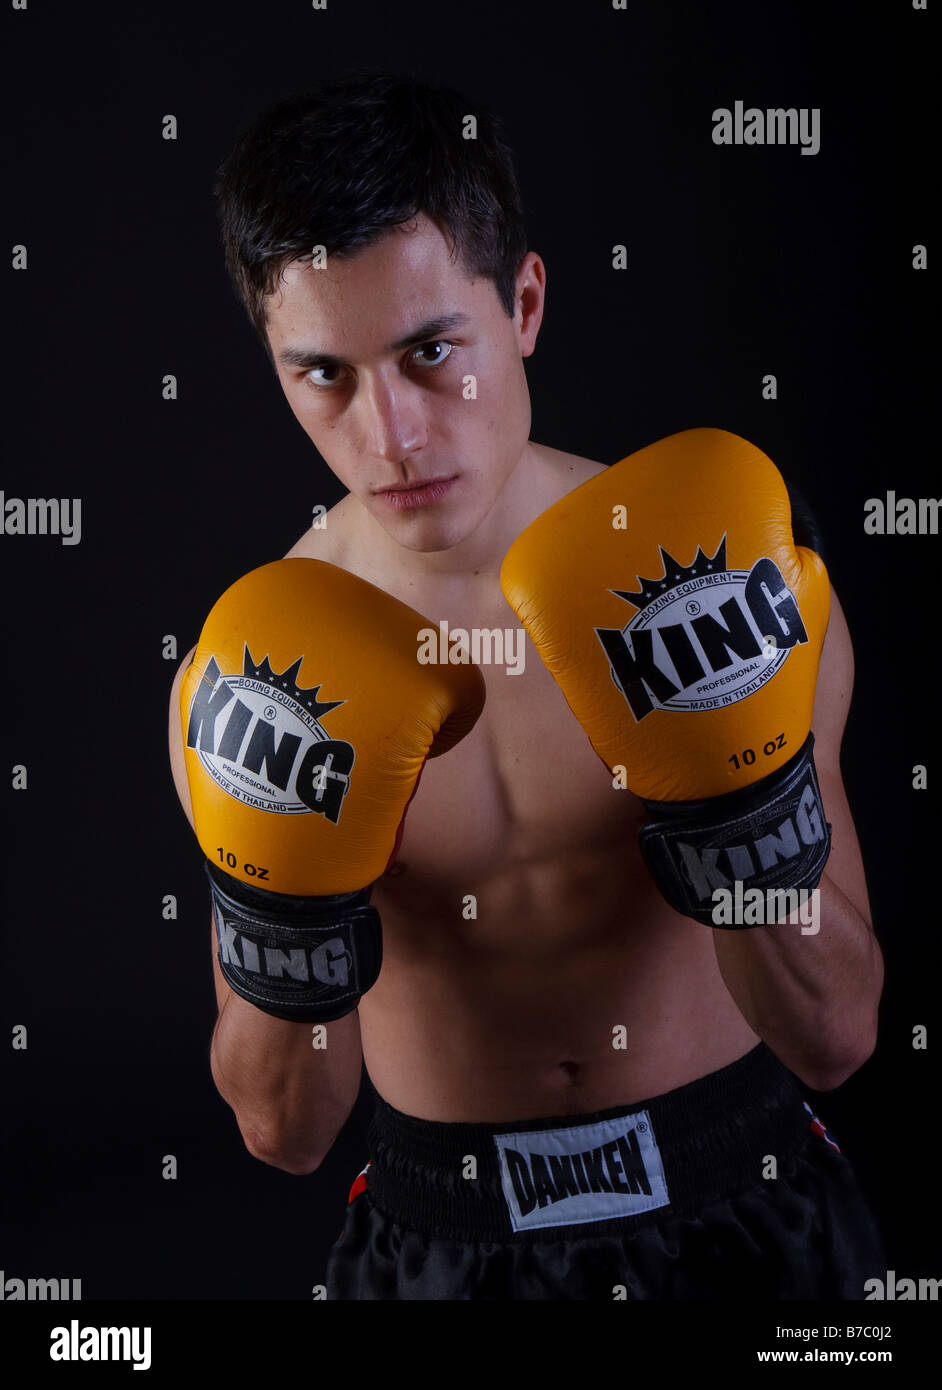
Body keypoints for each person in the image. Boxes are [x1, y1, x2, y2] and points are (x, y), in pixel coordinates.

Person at [168, 68, 886, 1300]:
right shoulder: (257, 684)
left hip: (746, 1204)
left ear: (528, 304)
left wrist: (738, 815)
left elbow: (836, 1034)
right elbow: (282, 1128)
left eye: (430, 351)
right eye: (324, 373)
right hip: (443, 1240)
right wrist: (285, 924)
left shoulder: (712, 583)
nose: (392, 435)